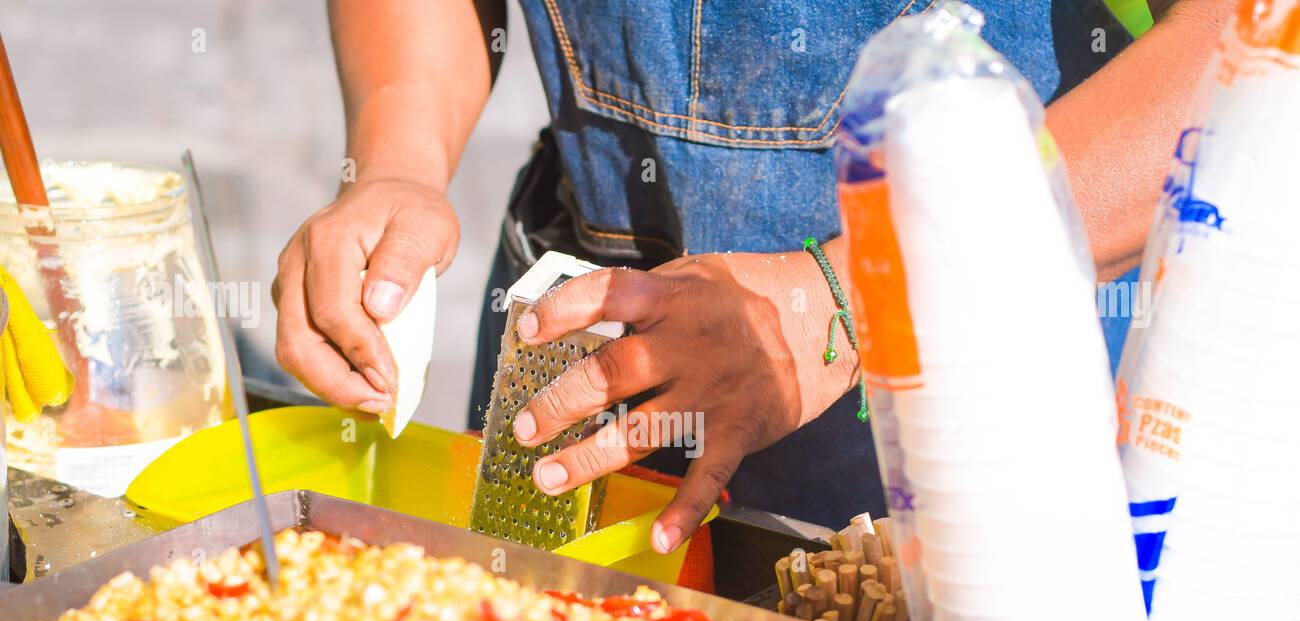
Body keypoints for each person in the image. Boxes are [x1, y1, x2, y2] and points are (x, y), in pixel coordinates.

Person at [273, 0, 1235, 554]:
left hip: (962, 387)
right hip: (589, 351)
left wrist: (853, 296)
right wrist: (397, 156)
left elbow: (1244, 43)